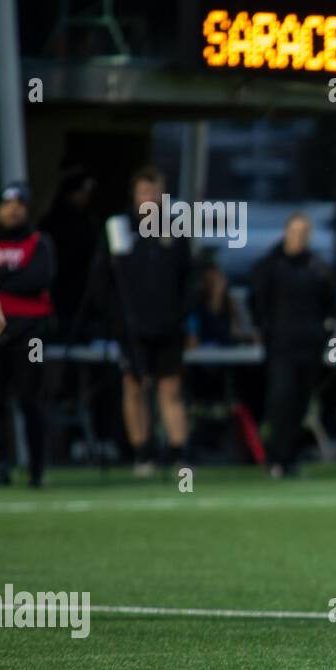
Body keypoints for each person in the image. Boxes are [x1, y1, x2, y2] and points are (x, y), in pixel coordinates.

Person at [99, 166, 193, 476]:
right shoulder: (119, 228)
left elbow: (187, 280)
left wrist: (185, 321)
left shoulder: (175, 230)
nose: (149, 199)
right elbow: (105, 280)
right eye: (143, 193)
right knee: (134, 388)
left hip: (168, 327)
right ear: (134, 195)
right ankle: (142, 453)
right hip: (130, 327)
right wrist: (114, 321)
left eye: (154, 193)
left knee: (170, 389)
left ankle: (180, 453)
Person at [249, 213, 336, 478]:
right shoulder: (270, 265)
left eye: (304, 232)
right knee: (281, 400)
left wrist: (324, 332)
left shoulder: (316, 267)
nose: (299, 237)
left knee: (301, 403)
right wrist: (263, 330)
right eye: (295, 231)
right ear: (286, 232)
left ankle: (290, 457)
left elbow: (331, 303)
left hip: (309, 346)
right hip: (280, 346)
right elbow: (257, 301)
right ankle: (275, 457)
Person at [0, 183, 55, 487]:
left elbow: (38, 279)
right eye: (8, 203)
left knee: (31, 397)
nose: (14, 209)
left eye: (20, 204)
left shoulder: (38, 241)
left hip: (32, 332)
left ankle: (36, 467)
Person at [39, 167, 99, 340]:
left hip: (85, 292)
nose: (85, 197)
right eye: (81, 192)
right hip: (60, 291)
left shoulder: (87, 219)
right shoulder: (54, 222)